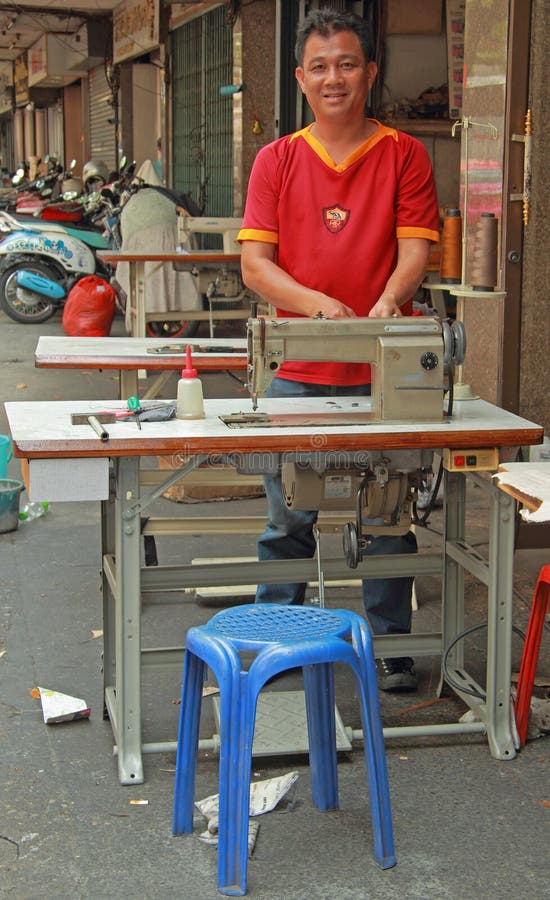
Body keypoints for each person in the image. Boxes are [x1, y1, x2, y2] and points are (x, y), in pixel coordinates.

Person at [237, 8, 440, 692]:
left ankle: (391, 646)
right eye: (320, 67)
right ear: (301, 78)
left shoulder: (404, 154)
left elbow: (415, 248)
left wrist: (387, 304)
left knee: (390, 512)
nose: (334, 78)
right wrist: (316, 305)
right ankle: (273, 640)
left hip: (385, 371)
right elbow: (256, 267)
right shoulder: (278, 159)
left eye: (347, 64)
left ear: (371, 73)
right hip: (295, 367)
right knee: (286, 515)